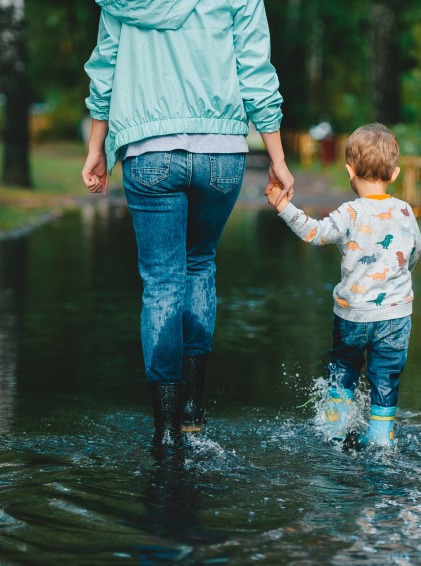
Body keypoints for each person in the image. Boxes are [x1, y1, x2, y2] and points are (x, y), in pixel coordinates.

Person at [81, 0, 294, 453]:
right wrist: (276, 157)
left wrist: (97, 147)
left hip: (148, 151)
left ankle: (164, 431)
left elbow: (105, 71)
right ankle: (194, 414)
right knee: (199, 265)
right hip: (222, 154)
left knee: (162, 282)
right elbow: (256, 72)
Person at [267, 124, 421, 448]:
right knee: (386, 377)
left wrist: (283, 207)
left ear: (349, 171)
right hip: (395, 316)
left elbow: (315, 232)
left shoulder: (350, 212)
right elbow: (414, 252)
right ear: (394, 174)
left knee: (343, 370)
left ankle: (334, 433)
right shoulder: (405, 211)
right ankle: (381, 439)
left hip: (353, 315)